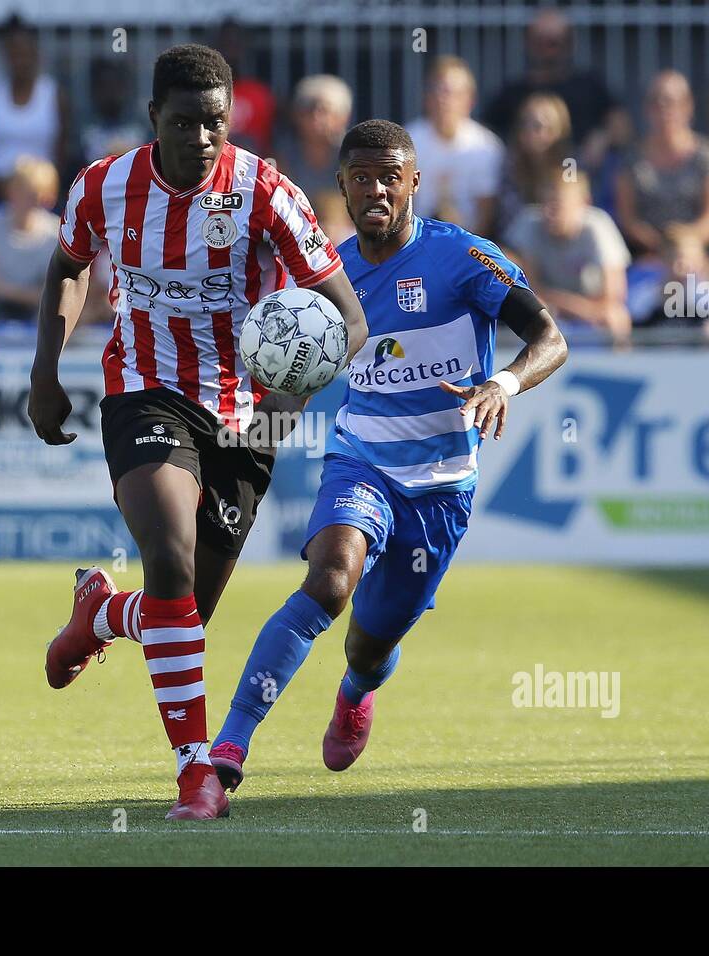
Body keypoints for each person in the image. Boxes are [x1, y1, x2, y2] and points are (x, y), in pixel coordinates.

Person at [26, 44, 367, 821]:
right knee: (171, 559)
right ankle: (195, 774)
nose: (204, 139)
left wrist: (286, 400)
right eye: (186, 123)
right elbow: (69, 266)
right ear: (155, 120)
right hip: (143, 392)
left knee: (182, 614)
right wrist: (45, 371)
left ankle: (103, 613)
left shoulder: (266, 192)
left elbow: (349, 317)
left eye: (216, 123)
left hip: (249, 411)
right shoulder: (104, 185)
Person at [204, 119, 567, 790]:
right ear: (342, 184)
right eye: (363, 178)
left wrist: (503, 381)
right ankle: (228, 744)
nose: (377, 190)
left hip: (441, 488)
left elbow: (549, 336)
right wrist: (249, 439)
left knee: (370, 643)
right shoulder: (327, 273)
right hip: (362, 460)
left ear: (414, 185)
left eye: (391, 178)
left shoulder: (465, 259)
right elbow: (299, 377)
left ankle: (357, 689)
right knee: (330, 580)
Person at [485, 9, 630, 171]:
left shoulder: (589, 84)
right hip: (529, 179)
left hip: (577, 170)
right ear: (528, 43)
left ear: (569, 44)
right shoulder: (513, 92)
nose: (546, 50)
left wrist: (603, 137)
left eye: (553, 43)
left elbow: (622, 127)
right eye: (539, 42)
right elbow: (486, 136)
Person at [506, 169, 631, 346]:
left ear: (583, 204)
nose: (548, 212)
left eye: (557, 205)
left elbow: (614, 296)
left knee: (616, 317)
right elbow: (529, 291)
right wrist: (549, 302)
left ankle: (621, 368)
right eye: (544, 203)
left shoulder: (598, 227)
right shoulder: (529, 223)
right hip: (547, 306)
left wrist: (571, 306)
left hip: (589, 308)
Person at [615, 71, 709, 259]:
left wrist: (682, 246)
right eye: (656, 102)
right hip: (647, 257)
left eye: (671, 101)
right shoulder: (630, 159)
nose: (664, 109)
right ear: (646, 109)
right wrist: (661, 247)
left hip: (696, 257)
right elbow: (628, 219)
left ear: (688, 106)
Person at [0, 15, 68, 208]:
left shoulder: (55, 95)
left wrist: (40, 186)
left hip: (43, 193)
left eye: (25, 54)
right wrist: (3, 187)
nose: (20, 61)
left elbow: (61, 151)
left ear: (36, 55)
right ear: (5, 56)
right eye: (14, 55)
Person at [406, 55, 504, 235]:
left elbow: (486, 211)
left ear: (469, 100)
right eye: (437, 90)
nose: (443, 99)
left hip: (468, 240)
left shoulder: (486, 146)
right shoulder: (409, 139)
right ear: (426, 97)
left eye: (451, 92)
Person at [0, 156, 60, 331]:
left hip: (40, 312)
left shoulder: (58, 233)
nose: (34, 200)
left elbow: (58, 292)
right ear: (10, 192)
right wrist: (32, 294)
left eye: (39, 193)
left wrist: (3, 288)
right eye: (26, 192)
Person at [495, 92, 574, 236]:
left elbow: (571, 211)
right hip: (521, 246)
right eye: (524, 124)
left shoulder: (570, 163)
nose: (530, 132)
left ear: (559, 129)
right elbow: (510, 221)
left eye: (538, 126)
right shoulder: (510, 164)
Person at [273, 75, 353, 200]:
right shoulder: (282, 154)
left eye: (324, 111)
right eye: (309, 109)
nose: (316, 117)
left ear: (343, 117)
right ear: (296, 115)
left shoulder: (353, 156)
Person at [212, 18, 276, 155]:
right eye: (226, 44)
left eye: (236, 44)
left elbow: (268, 143)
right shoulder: (202, 94)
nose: (231, 51)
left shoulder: (259, 95)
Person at [78, 56, 151, 167]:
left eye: (116, 86)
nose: (111, 93)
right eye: (105, 86)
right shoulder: (84, 129)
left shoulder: (140, 128)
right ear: (95, 90)